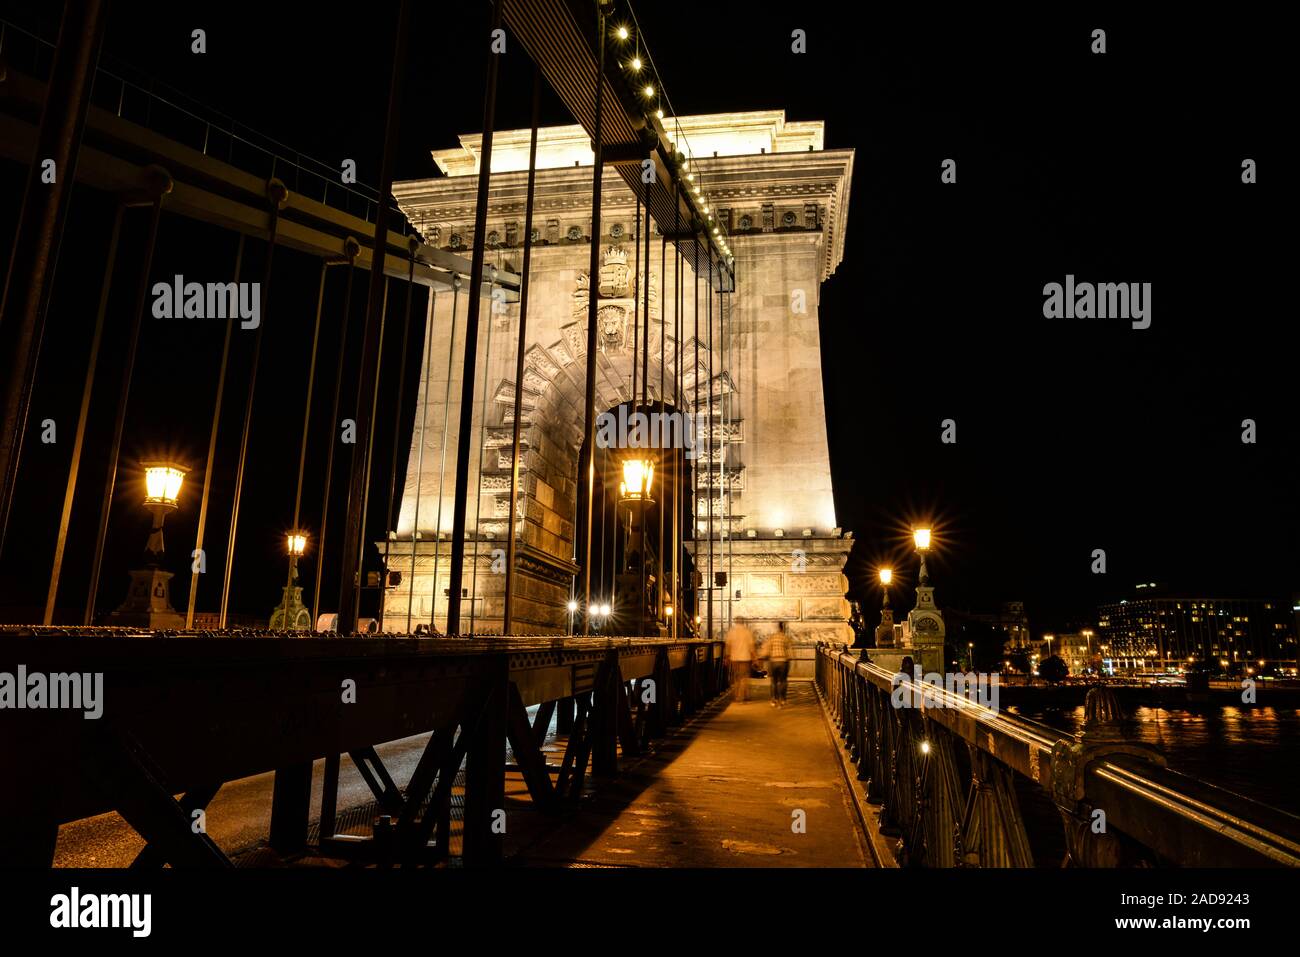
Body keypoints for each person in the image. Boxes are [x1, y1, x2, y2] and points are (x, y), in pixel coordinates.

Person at [723, 617, 756, 703]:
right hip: (745, 658)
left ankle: (737, 695)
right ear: (743, 622)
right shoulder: (747, 632)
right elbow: (751, 646)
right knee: (744, 677)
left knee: (736, 677)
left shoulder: (731, 632)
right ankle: (742, 696)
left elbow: (728, 645)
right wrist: (754, 658)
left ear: (735, 622)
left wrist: (727, 657)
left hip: (734, 658)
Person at [762, 621, 792, 707]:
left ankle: (773, 700)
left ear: (777, 627)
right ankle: (782, 700)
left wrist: (764, 657)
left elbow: (766, 649)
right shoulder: (785, 637)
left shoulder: (772, 637)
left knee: (773, 681)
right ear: (784, 628)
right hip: (783, 661)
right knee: (783, 681)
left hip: (773, 661)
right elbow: (790, 651)